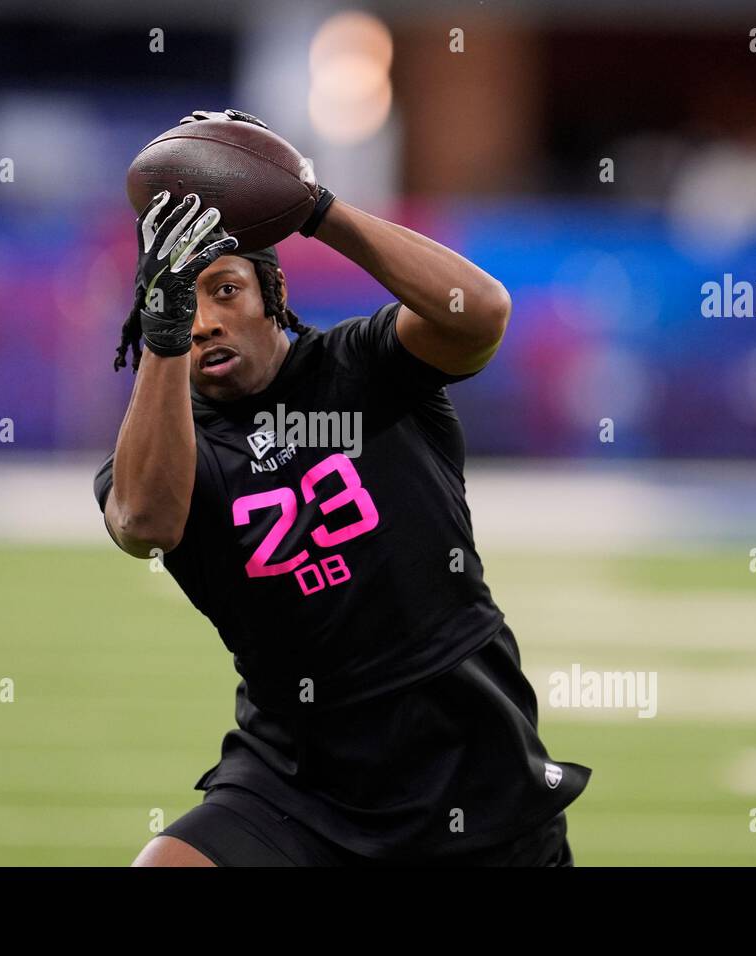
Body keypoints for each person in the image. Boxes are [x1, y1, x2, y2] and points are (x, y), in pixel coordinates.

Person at [95, 109, 591, 866]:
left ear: (272, 294)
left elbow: (481, 313)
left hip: (460, 747)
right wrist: (158, 332)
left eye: (224, 290)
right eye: (182, 305)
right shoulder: (162, 446)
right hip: (298, 768)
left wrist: (316, 209)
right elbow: (143, 523)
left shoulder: (360, 367)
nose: (205, 323)